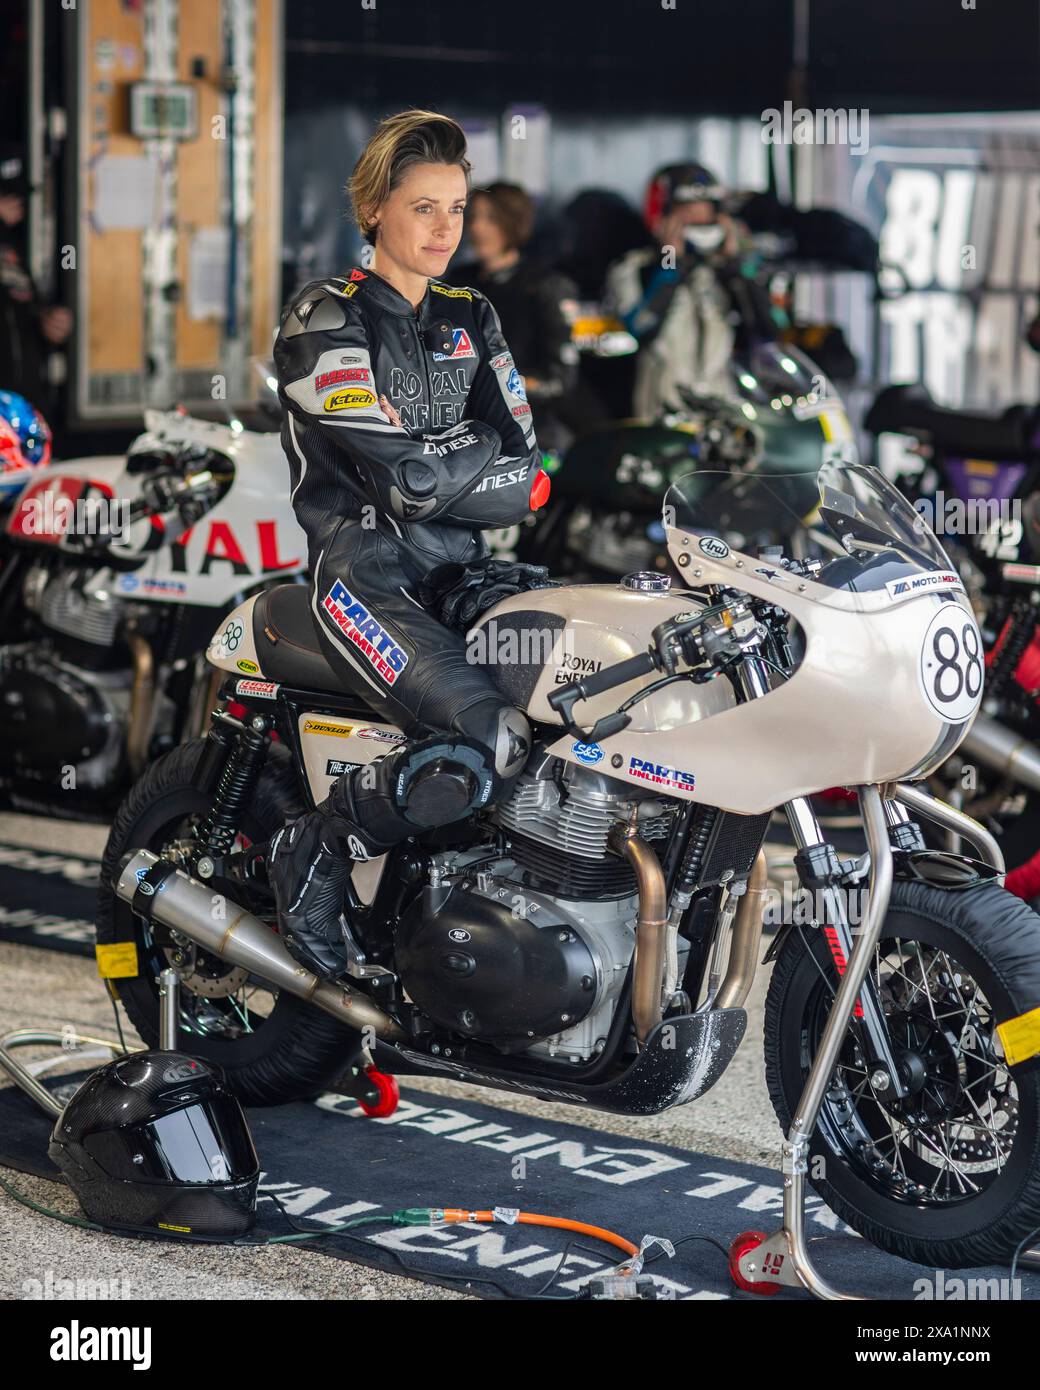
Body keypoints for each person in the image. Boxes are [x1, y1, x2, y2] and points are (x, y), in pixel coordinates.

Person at [268, 110, 550, 980]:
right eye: (424, 206)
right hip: (368, 582)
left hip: (467, 572)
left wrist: (440, 466)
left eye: (457, 209)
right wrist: (467, 458)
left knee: (586, 696)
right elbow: (404, 487)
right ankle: (314, 850)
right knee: (492, 733)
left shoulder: (473, 313)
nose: (443, 229)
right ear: (377, 209)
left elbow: (532, 473)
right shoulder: (323, 317)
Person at [604, 162, 777, 419]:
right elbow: (640, 328)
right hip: (661, 412)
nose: (698, 218)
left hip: (724, 412)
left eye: (706, 210)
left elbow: (767, 332)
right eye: (686, 211)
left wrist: (735, 268)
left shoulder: (730, 272)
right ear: (663, 217)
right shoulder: (633, 268)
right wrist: (671, 267)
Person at [447, 182, 580, 449]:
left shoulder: (547, 286)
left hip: (531, 434)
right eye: (473, 218)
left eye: (491, 219)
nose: (477, 228)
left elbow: (560, 379)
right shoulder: (457, 283)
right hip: (463, 433)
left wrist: (498, 384)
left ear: (514, 223)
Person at [0, 147, 72, 410]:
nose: (15, 204)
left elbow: (22, 314)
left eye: (17, 196)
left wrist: (49, 324)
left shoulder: (16, 248)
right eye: (6, 195)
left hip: (21, 404)